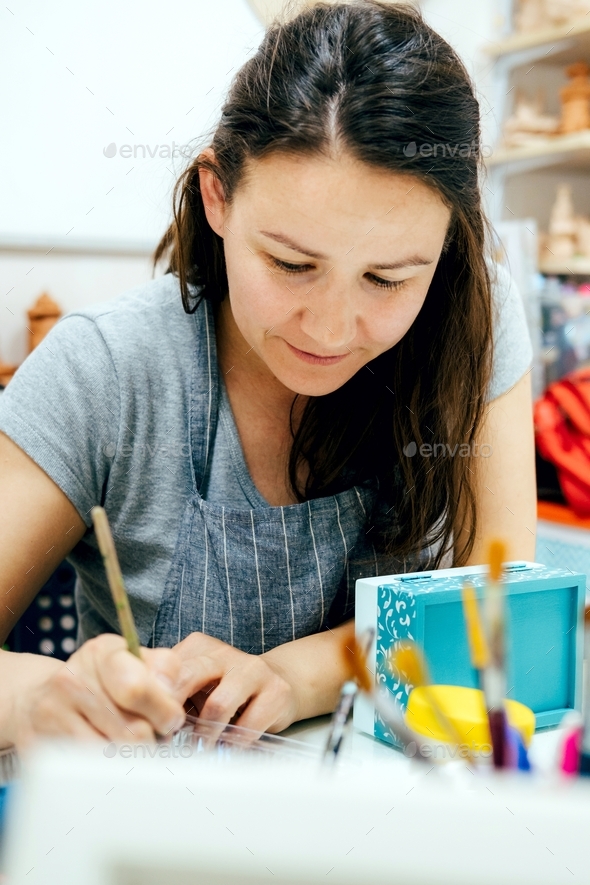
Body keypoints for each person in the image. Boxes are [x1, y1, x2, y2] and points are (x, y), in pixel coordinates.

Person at [0, 0, 536, 750]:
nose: (329, 328)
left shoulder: (469, 319)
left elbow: (500, 609)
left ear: (446, 250)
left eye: (387, 279)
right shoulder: (105, 369)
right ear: (217, 195)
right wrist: (38, 697)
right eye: (290, 264)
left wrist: (295, 674)